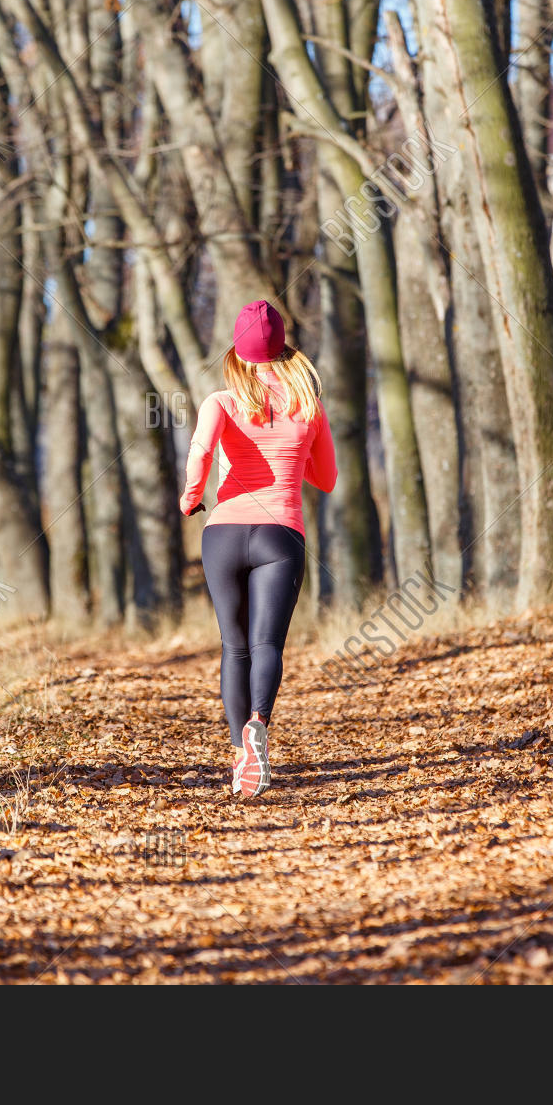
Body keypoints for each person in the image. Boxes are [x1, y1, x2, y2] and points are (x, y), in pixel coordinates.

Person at [179, 300, 338, 797]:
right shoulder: (307, 406)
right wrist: (295, 454)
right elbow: (327, 479)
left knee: (234, 645)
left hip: (223, 533)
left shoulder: (220, 402)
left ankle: (238, 754)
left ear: (238, 351)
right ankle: (259, 726)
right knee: (267, 644)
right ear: (284, 346)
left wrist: (190, 496)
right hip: (281, 534)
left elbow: (202, 452)